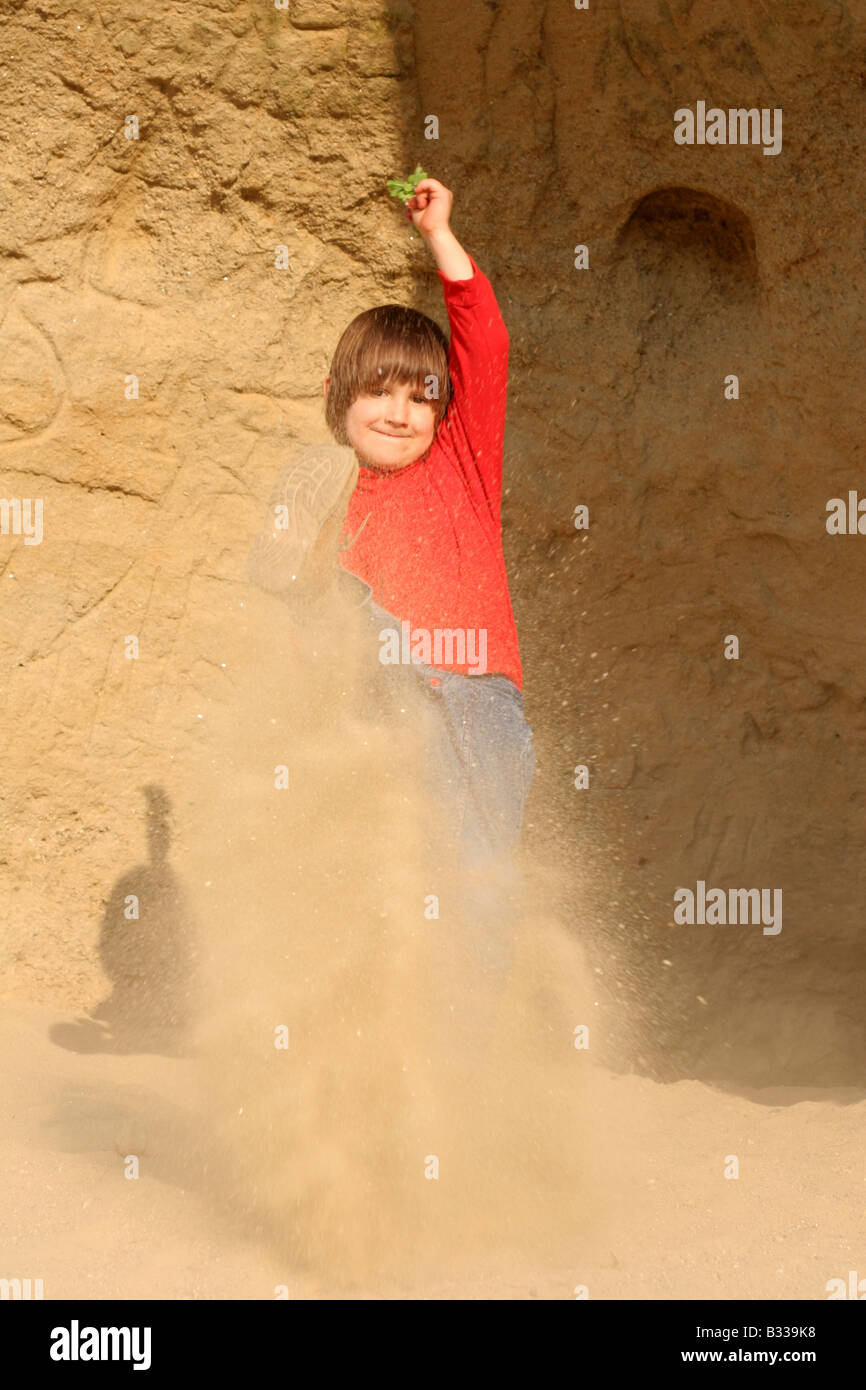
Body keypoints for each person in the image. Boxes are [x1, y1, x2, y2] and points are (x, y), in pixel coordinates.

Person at [247, 177, 535, 1052]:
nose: (402, 412)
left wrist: (441, 237)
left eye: (421, 395)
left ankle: (463, 1056)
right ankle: (366, 1047)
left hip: (475, 702)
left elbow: (484, 339)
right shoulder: (330, 489)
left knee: (480, 883)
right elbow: (302, 640)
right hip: (377, 708)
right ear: (339, 395)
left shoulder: (464, 463)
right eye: (381, 392)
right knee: (378, 883)